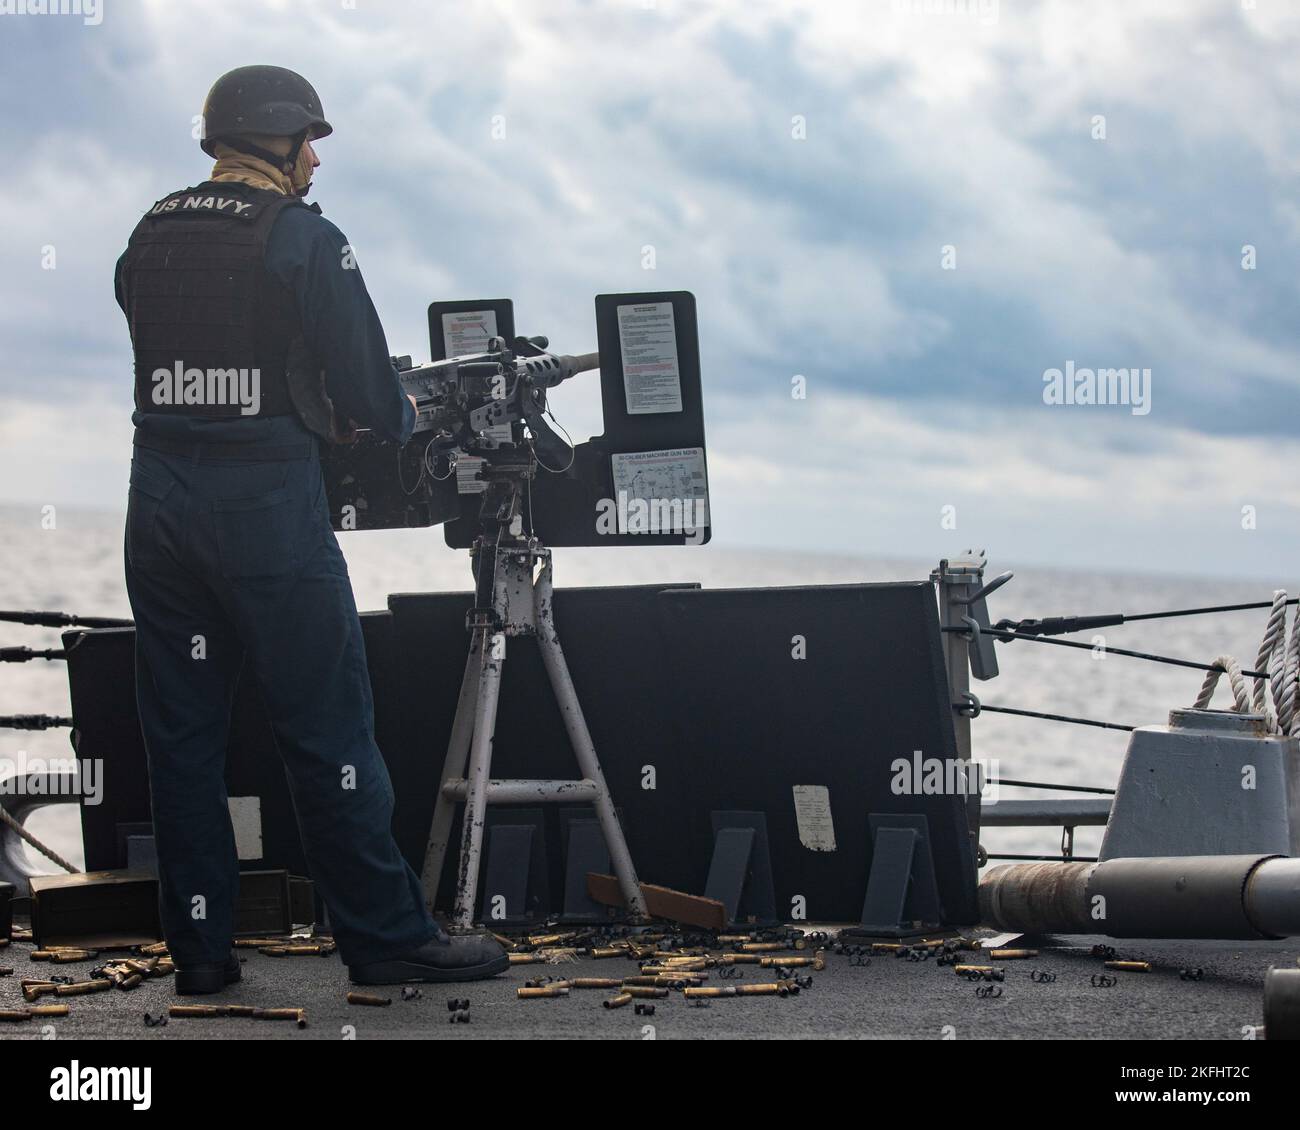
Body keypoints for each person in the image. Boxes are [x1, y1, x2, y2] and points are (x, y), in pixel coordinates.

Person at [115, 64, 507, 993]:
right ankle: (382, 940)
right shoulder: (301, 239)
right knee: (327, 733)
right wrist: (393, 423)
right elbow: (374, 394)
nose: (316, 159)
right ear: (276, 140)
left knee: (180, 739)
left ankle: (202, 957)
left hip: (157, 502)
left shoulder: (150, 232)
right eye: (310, 141)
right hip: (264, 510)